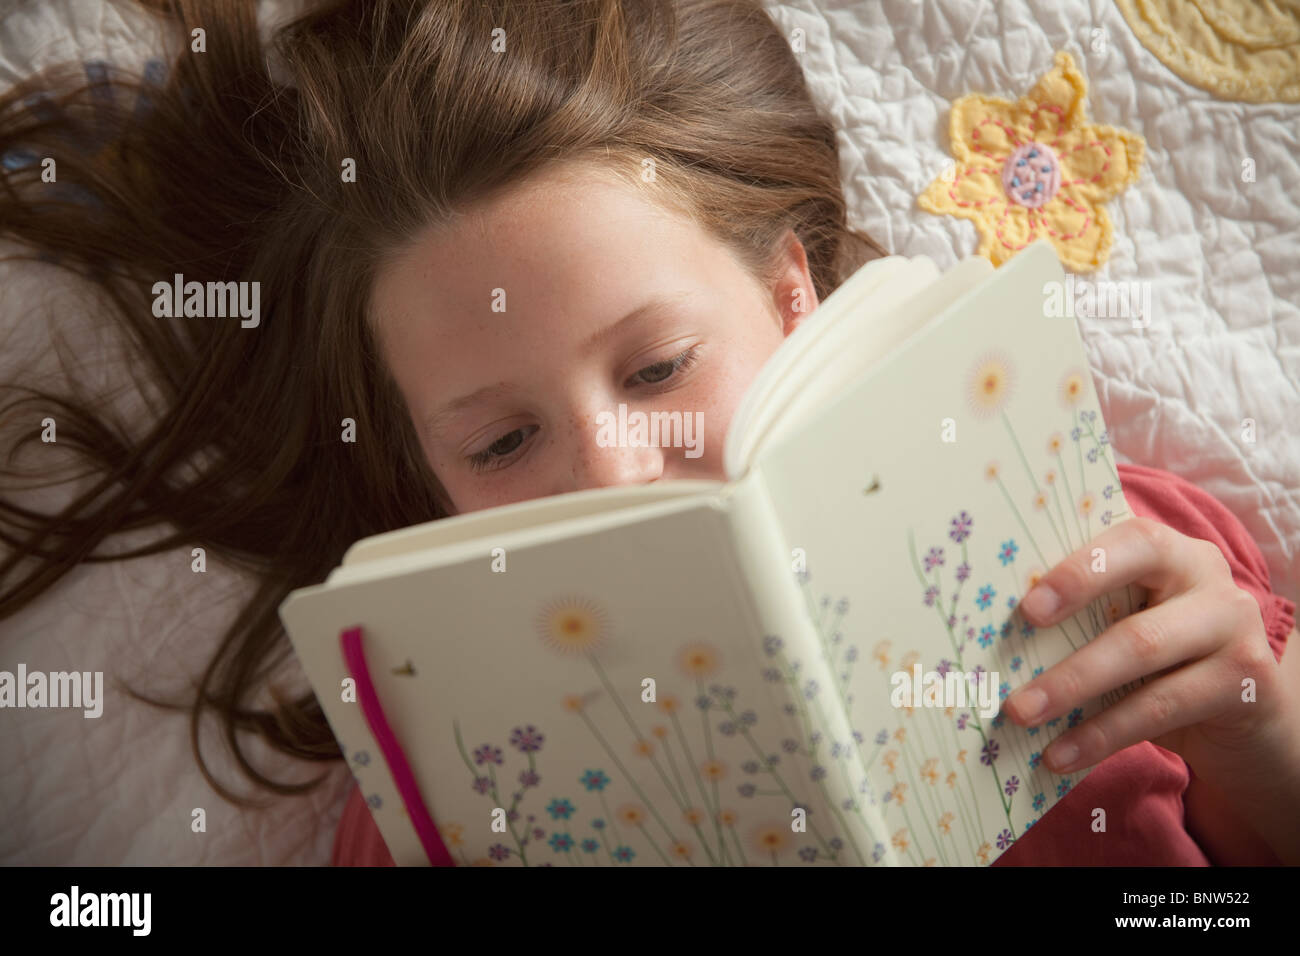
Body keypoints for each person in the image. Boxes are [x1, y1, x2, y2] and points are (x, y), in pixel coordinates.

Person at [0, 0, 1294, 867]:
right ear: (422, 471)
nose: (609, 469)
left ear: (795, 294)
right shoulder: (437, 780)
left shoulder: (1105, 537)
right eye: (502, 444)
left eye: (661, 365)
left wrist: (1253, 727)